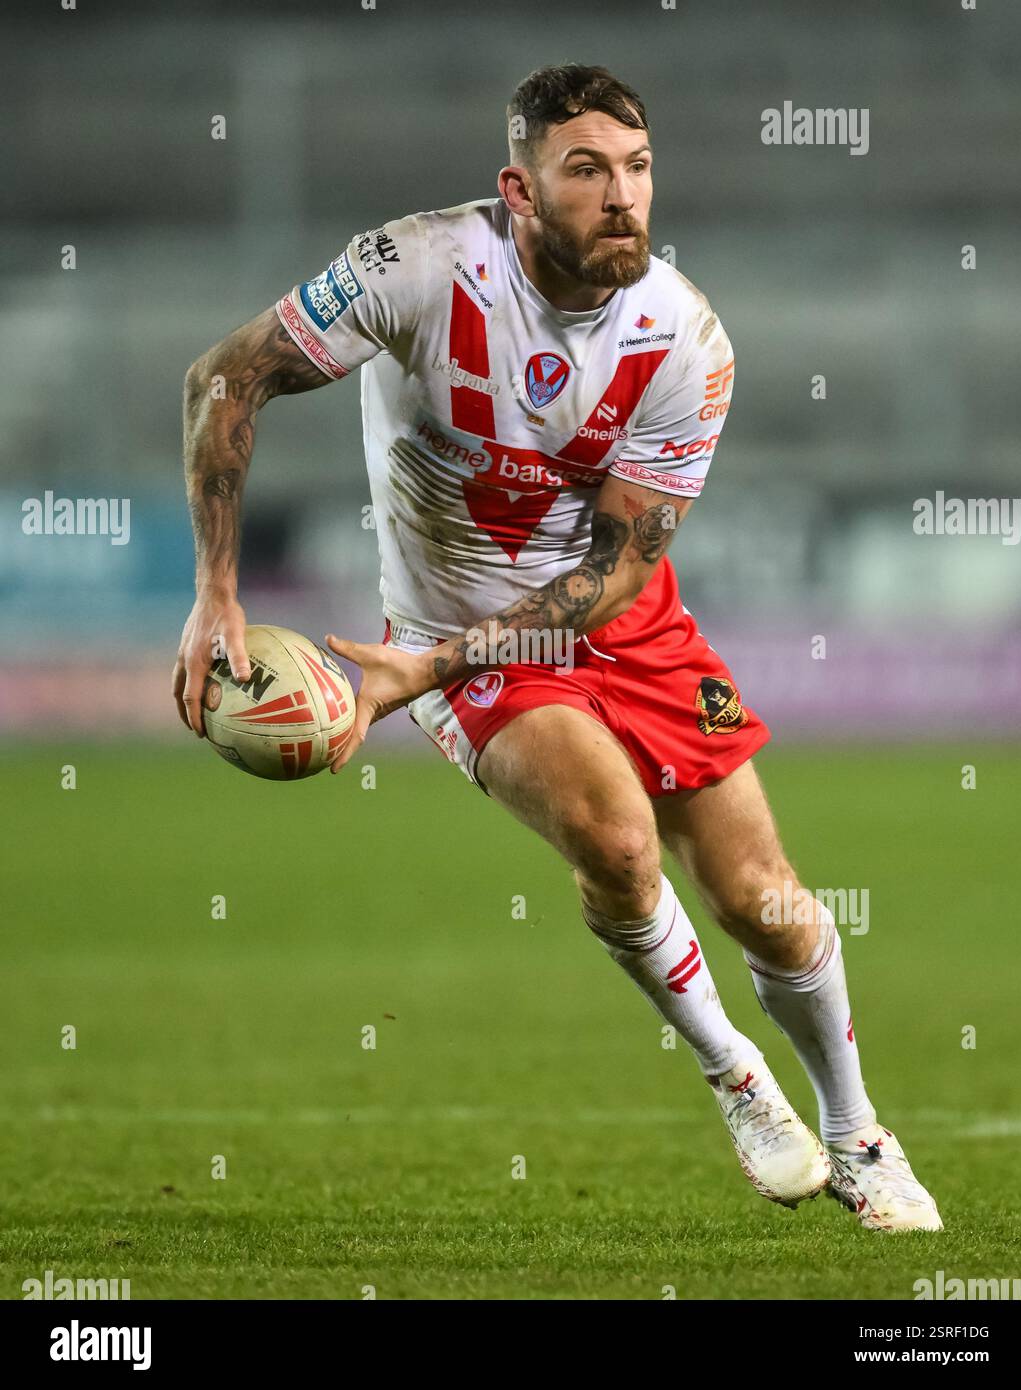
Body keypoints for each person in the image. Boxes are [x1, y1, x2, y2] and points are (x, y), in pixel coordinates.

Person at [174, 63, 941, 1232]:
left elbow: (617, 569)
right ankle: (736, 1074)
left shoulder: (685, 337)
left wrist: (418, 677)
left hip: (617, 618)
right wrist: (215, 590)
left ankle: (856, 1130)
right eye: (585, 170)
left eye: (636, 169)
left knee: (765, 901)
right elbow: (224, 375)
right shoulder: (418, 269)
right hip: (457, 635)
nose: (622, 196)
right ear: (519, 189)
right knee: (618, 843)